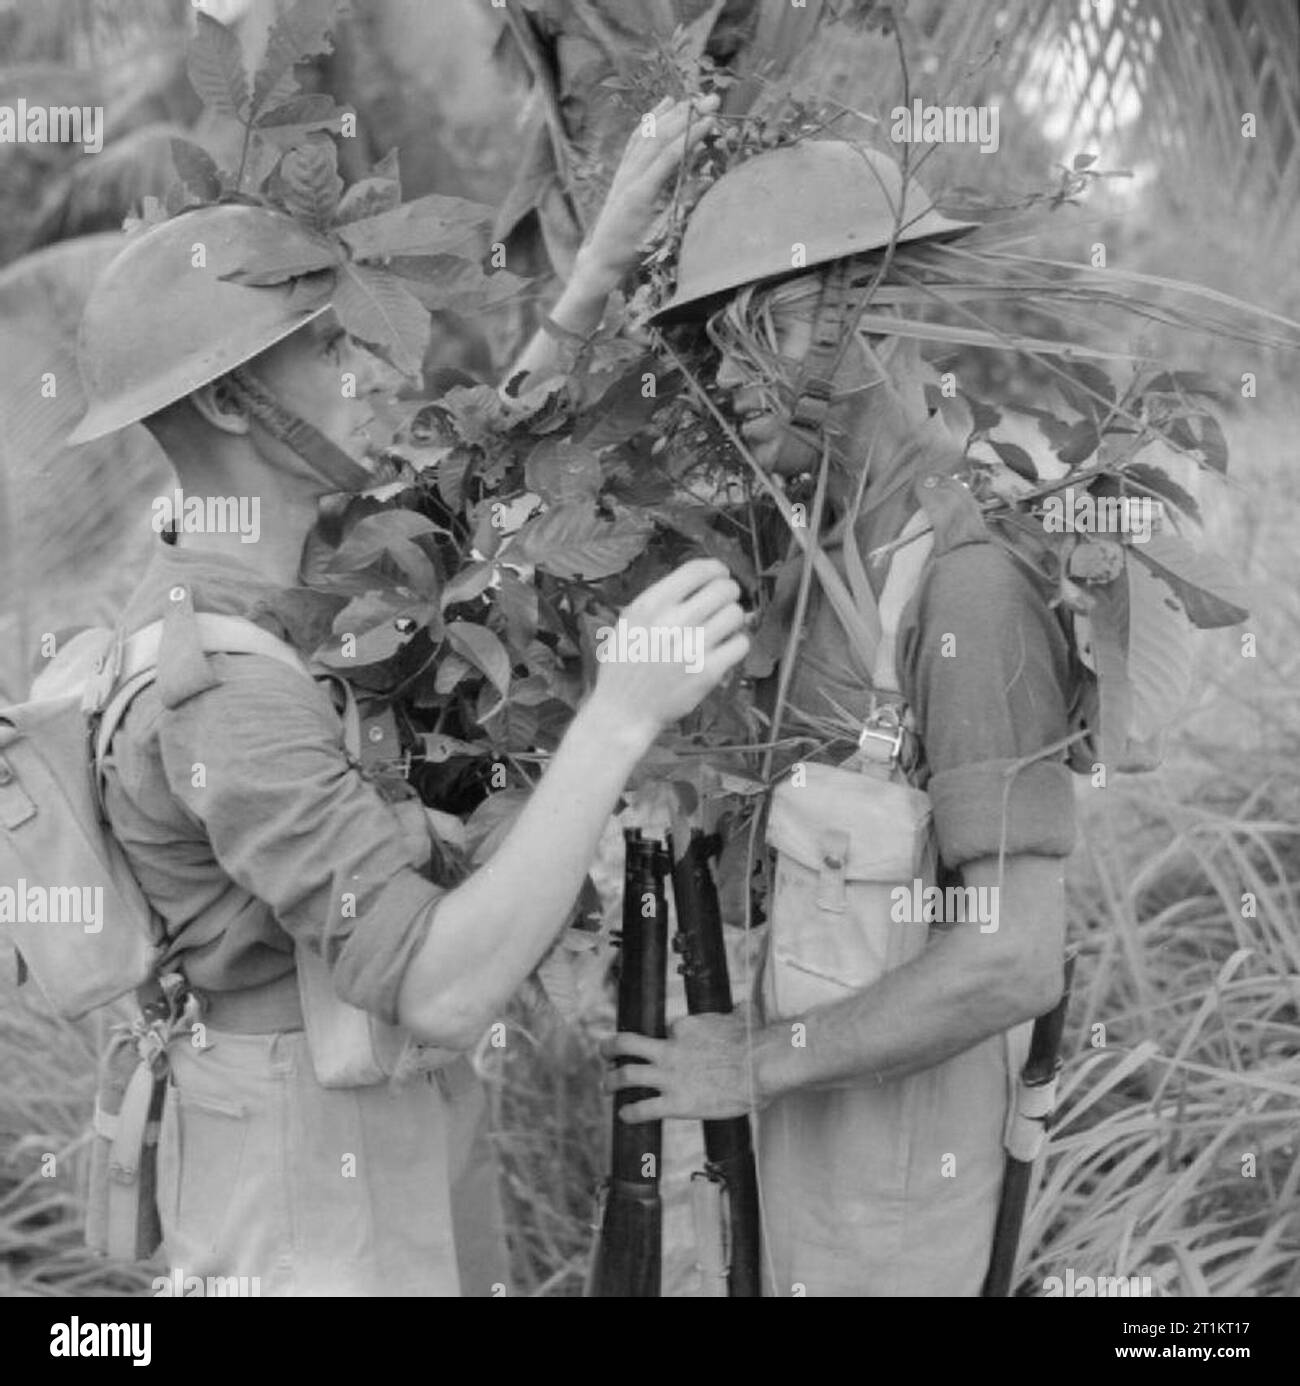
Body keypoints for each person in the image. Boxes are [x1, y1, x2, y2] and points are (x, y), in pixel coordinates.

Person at [63, 98, 739, 1296]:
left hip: (364, 1130)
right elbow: (439, 987)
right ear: (230, 404)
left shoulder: (298, 571)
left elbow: (469, 497)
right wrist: (621, 715)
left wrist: (598, 265)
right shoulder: (220, 688)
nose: (366, 363)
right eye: (326, 349)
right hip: (303, 1189)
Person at [600, 138, 1076, 1295]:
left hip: (900, 1191)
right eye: (716, 346)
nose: (731, 380)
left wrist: (758, 1064)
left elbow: (1014, 959)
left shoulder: (968, 583)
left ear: (876, 314)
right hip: (809, 1154)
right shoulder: (814, 557)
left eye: (762, 330)